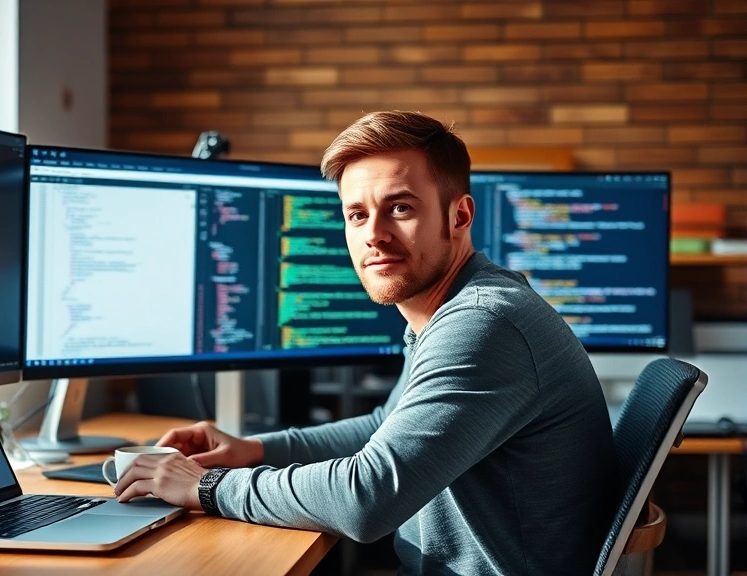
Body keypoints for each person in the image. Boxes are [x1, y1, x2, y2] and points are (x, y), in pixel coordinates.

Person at [112, 111, 616, 575]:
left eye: (399, 208)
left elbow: (365, 499)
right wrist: (254, 450)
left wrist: (202, 486)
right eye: (356, 214)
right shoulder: (451, 310)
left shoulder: (483, 324)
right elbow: (386, 427)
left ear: (459, 217)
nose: (373, 234)